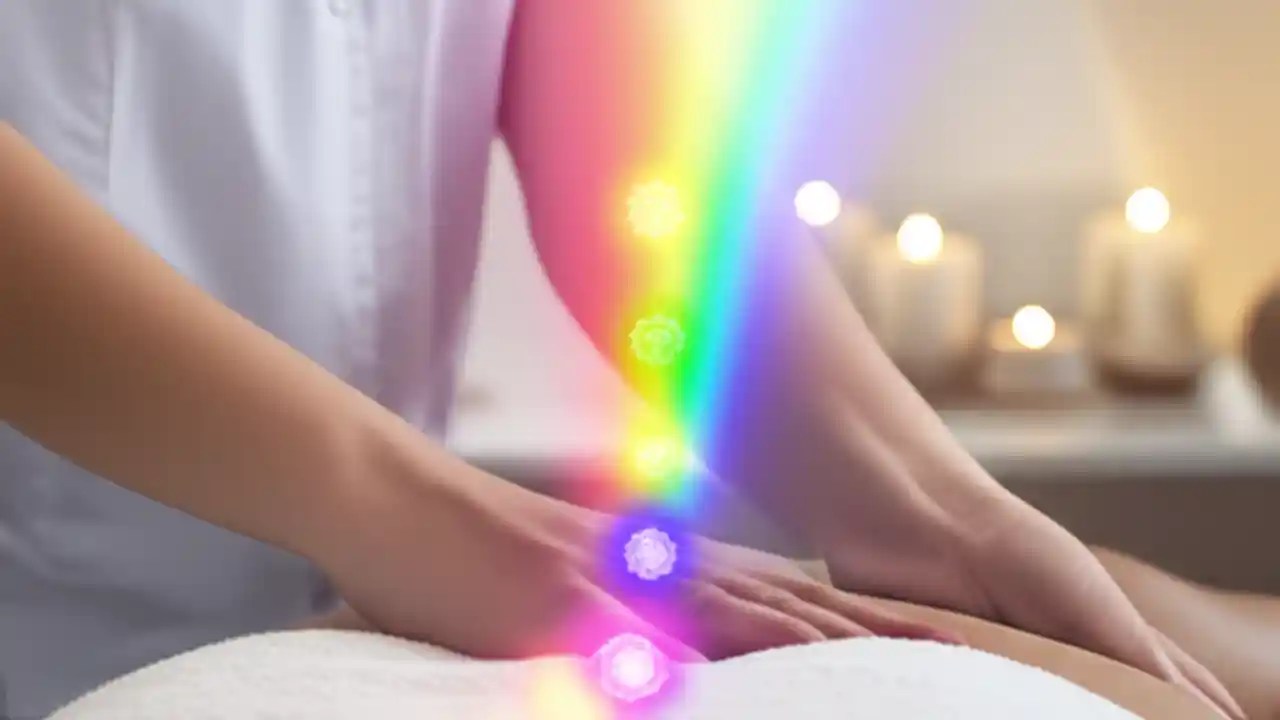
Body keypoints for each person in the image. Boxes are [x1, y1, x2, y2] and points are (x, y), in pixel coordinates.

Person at [0, 2, 1242, 718]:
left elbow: (612, 140)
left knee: (1136, 614)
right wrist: (403, 512)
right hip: (49, 613)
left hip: (382, 607)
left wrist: (922, 500)